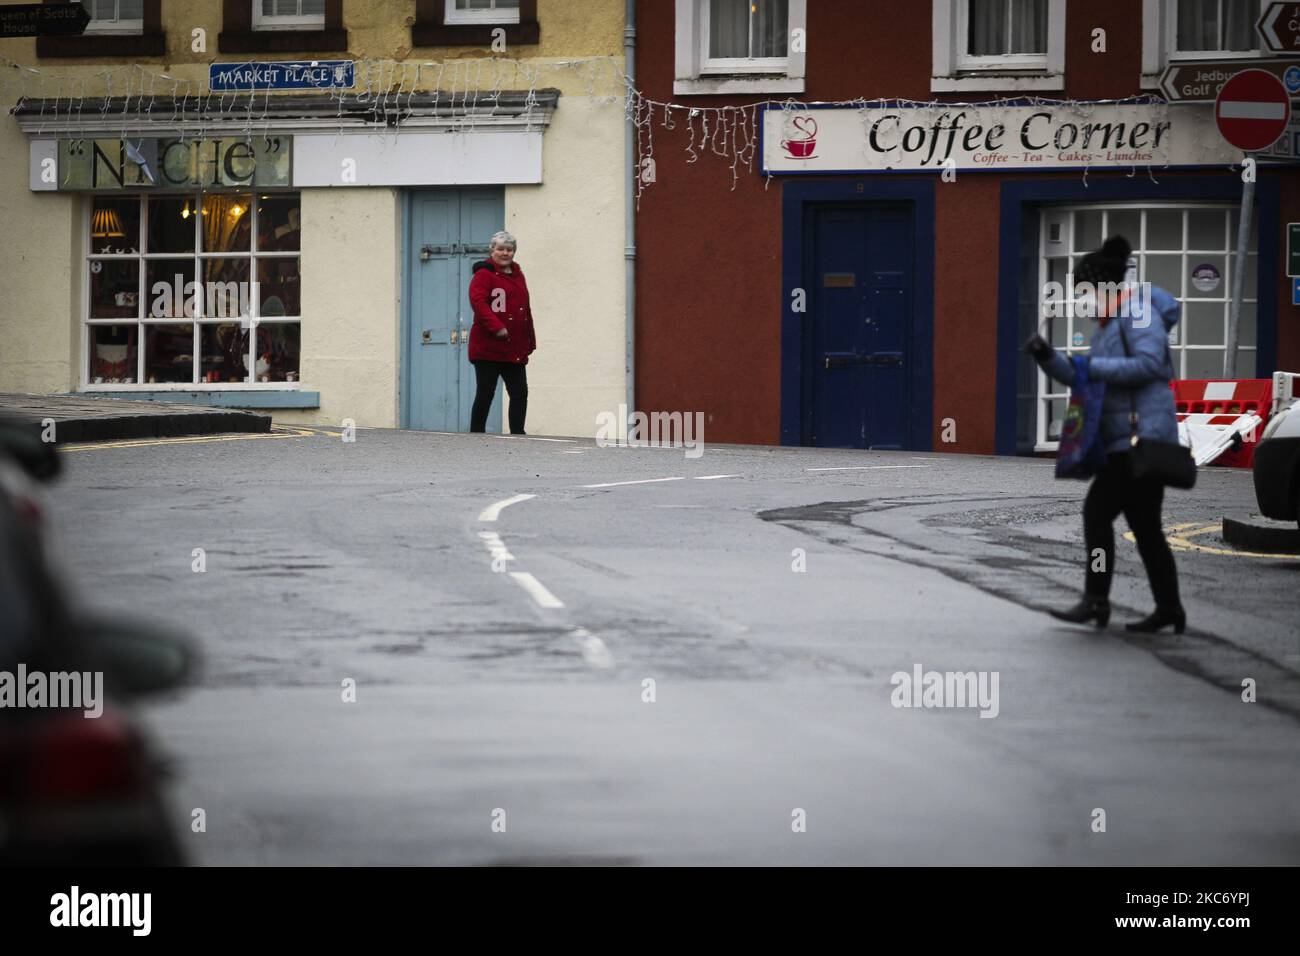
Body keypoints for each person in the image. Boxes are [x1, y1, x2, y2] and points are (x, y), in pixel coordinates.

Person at [1026, 235, 1186, 634]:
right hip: (1123, 439)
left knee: (1097, 514)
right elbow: (1086, 373)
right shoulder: (1110, 322)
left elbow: (1150, 365)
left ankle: (1097, 600)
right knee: (1146, 528)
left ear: (1102, 285)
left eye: (1084, 288)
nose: (1082, 296)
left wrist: (1095, 368)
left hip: (1139, 438)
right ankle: (1169, 608)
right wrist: (1047, 357)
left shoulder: (1139, 314)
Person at [467, 230, 537, 435]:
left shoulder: (518, 275)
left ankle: (517, 432)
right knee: (486, 392)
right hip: (488, 347)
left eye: (509, 249)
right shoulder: (484, 275)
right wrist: (497, 327)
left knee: (519, 392)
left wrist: (529, 340)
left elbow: (525, 309)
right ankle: (476, 432)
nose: (505, 253)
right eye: (500, 249)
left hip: (513, 346)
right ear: (492, 251)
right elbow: (478, 303)